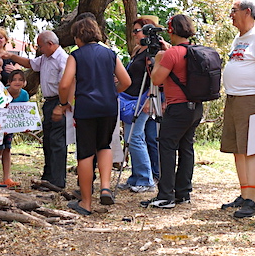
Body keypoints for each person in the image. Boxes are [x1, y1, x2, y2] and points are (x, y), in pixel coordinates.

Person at [56, 15, 130, 215]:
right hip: (108, 106)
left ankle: (86, 203)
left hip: (86, 108)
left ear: (78, 36)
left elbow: (64, 84)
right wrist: (112, 91)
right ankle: (105, 186)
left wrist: (64, 103)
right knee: (104, 145)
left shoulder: (76, 56)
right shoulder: (110, 54)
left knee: (86, 153)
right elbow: (126, 81)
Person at [220, 0, 255, 219]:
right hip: (234, 98)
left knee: (251, 148)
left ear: (247, 12)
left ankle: (253, 200)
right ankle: (244, 194)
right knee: (238, 148)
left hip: (251, 98)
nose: (231, 15)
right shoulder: (239, 38)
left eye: (233, 11)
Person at [145, 13, 205, 210]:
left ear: (171, 30)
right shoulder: (193, 51)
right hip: (195, 107)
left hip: (177, 107)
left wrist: (157, 59)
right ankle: (183, 192)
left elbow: (156, 80)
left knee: (167, 147)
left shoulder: (170, 54)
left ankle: (165, 195)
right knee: (186, 148)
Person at [3, 31, 70, 190]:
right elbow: (30, 63)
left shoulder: (63, 59)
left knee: (57, 142)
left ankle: (57, 181)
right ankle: (48, 177)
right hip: (48, 102)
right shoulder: (45, 58)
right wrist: (11, 56)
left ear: (50, 44)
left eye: (40, 46)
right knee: (48, 141)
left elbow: (66, 85)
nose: (39, 49)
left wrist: (62, 105)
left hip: (58, 101)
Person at [120, 14, 162, 192]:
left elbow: (157, 79)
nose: (135, 34)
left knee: (136, 137)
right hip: (130, 99)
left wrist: (149, 101)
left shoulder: (154, 53)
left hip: (143, 99)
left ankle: (146, 179)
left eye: (138, 31)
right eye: (134, 31)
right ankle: (136, 177)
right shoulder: (138, 51)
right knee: (132, 137)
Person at [0, 68, 30, 187]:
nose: (17, 82)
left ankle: (6, 178)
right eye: (14, 79)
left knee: (7, 149)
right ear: (8, 82)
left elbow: (25, 113)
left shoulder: (24, 94)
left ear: (24, 82)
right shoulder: (2, 92)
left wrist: (26, 126)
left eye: (20, 79)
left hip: (11, 127)